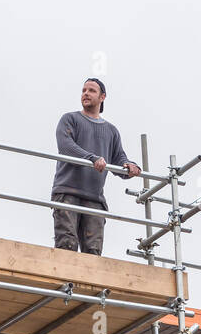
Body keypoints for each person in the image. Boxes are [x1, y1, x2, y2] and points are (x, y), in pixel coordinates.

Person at [50, 78, 140, 255]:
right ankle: (66, 283)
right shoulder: (70, 119)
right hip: (68, 192)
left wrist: (129, 166)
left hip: (94, 198)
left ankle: (86, 285)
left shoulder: (111, 131)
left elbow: (118, 158)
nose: (85, 93)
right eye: (84, 90)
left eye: (91, 90)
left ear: (102, 97)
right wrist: (92, 158)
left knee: (93, 252)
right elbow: (66, 146)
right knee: (66, 245)